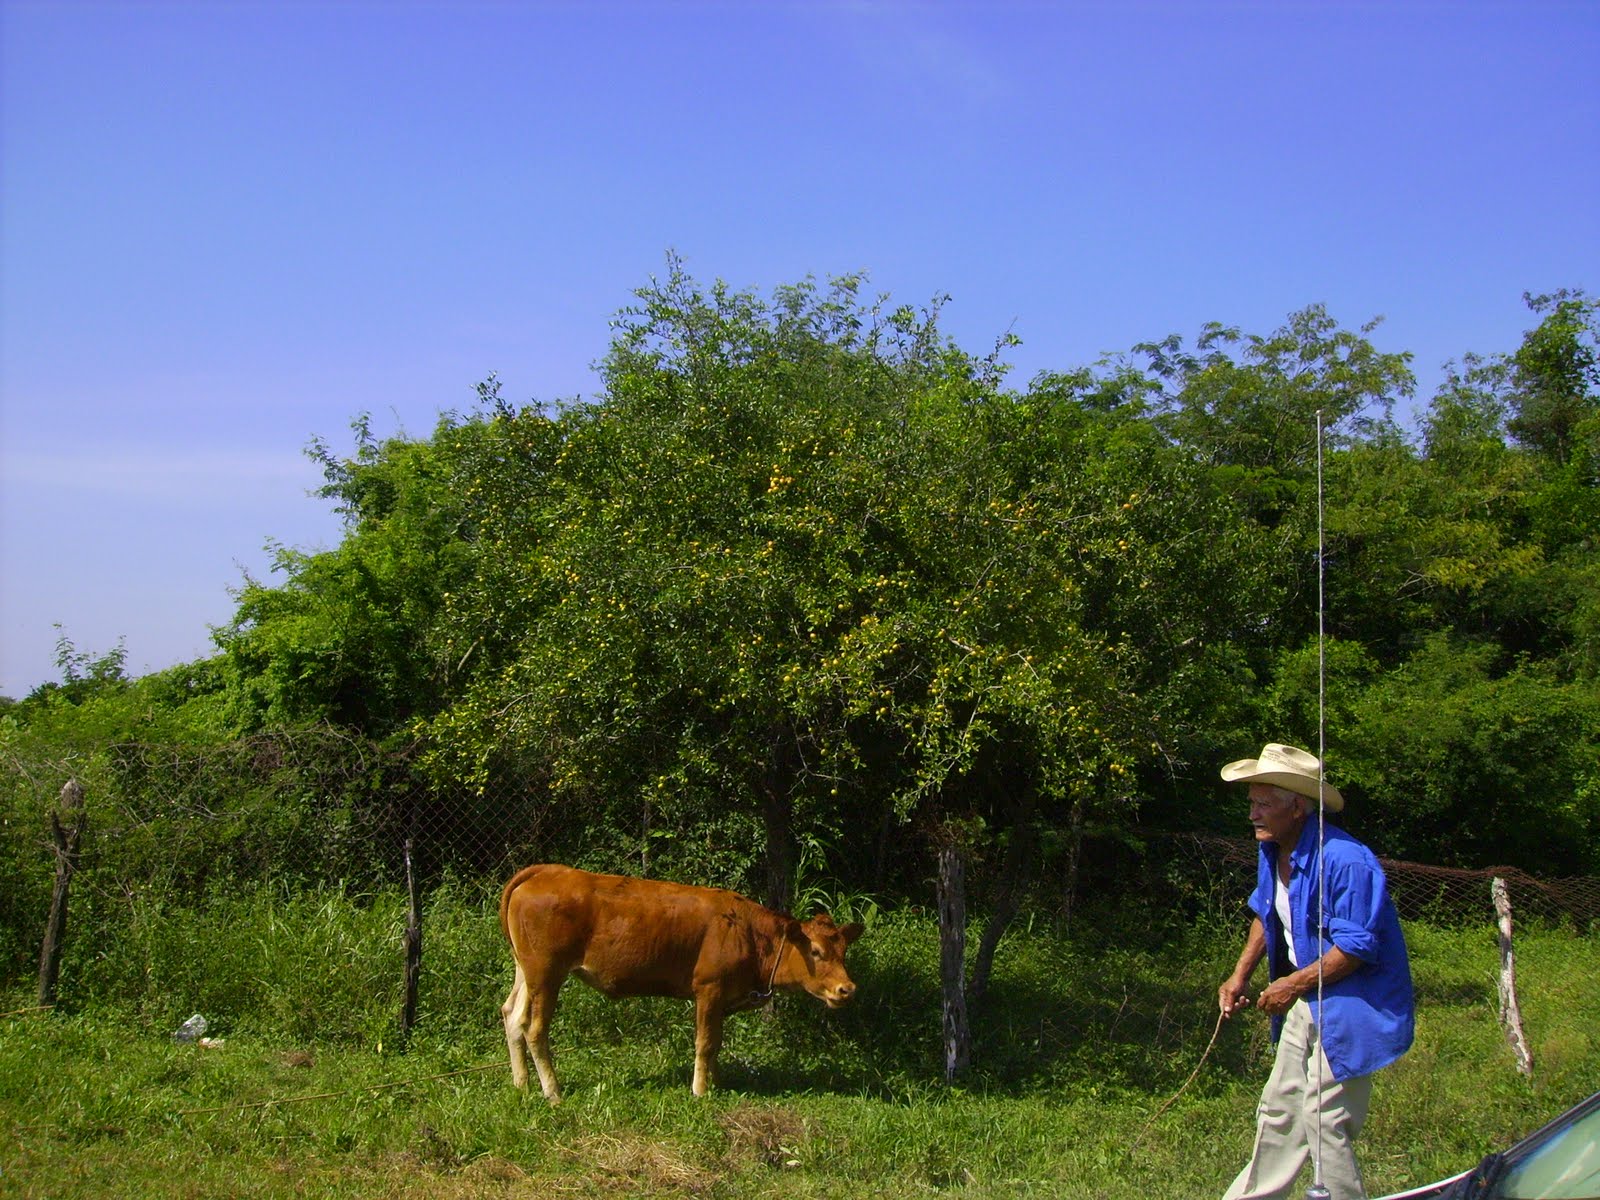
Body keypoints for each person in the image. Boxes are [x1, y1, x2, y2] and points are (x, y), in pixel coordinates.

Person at [1216, 743, 1414, 1200]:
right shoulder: (1274, 851)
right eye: (1252, 803)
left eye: (1264, 804)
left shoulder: (1346, 859)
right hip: (1308, 998)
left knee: (1324, 1118)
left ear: (1298, 807)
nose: (1253, 814)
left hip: (1352, 1005)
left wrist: (1290, 983)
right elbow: (1266, 913)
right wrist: (1240, 975)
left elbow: (1357, 949)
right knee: (1280, 1111)